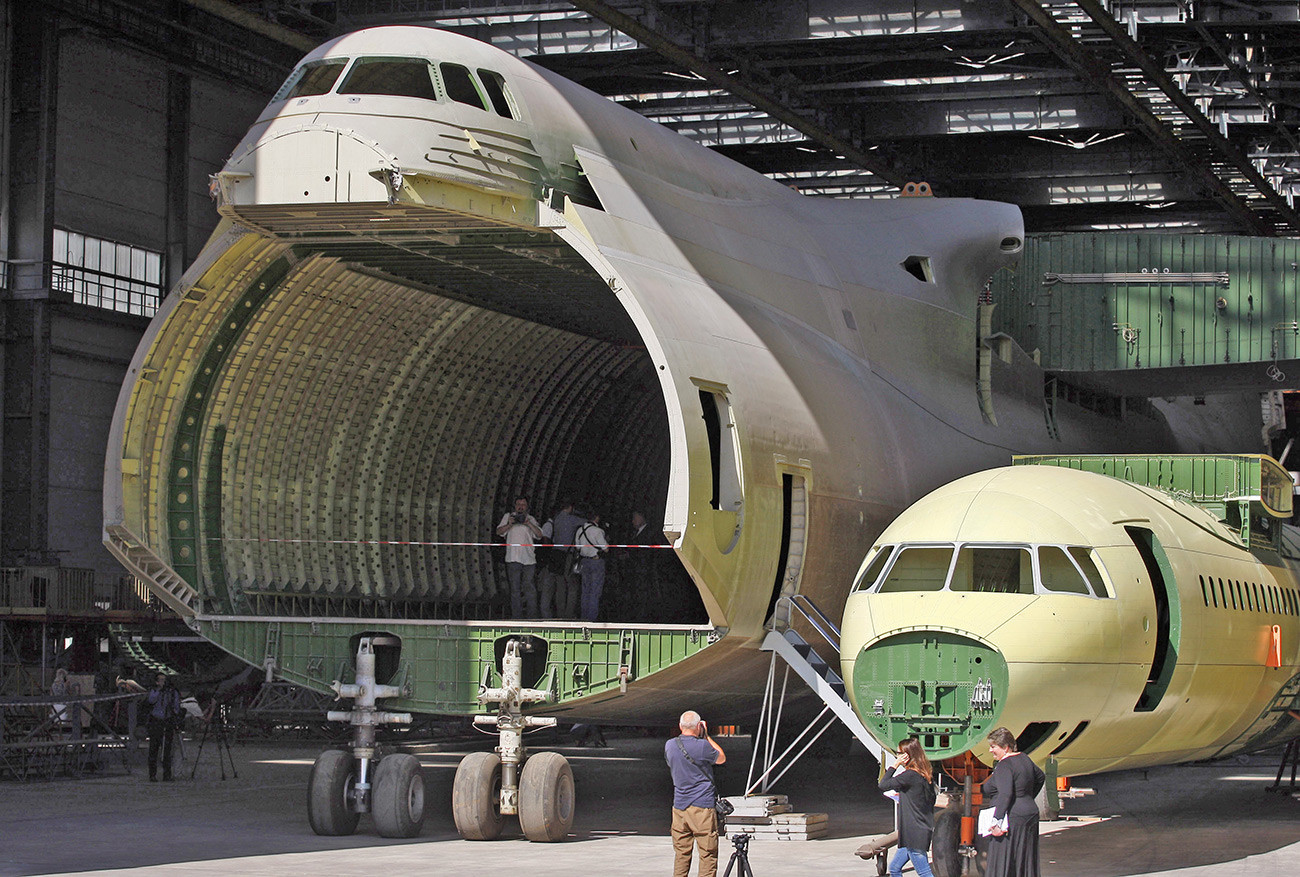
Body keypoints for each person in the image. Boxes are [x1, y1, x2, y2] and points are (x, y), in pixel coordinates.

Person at [665, 710, 727, 877]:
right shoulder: (702, 746)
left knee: (681, 854)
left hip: (679, 807)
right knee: (707, 853)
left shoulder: (670, 745)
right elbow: (721, 758)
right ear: (699, 726)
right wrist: (706, 736)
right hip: (702, 807)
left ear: (680, 726)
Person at [982, 727, 1045, 877]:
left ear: (1005, 747)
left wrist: (997, 822)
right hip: (1029, 812)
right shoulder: (1024, 758)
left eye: (993, 746)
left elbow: (1005, 794)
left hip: (1012, 818)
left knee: (1004, 861)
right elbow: (1040, 777)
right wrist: (1026, 797)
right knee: (1025, 859)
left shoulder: (1004, 765)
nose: (990, 750)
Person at [878, 737, 937, 877]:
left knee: (924, 873)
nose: (897, 756)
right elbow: (929, 799)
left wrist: (895, 765)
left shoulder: (909, 776)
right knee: (894, 868)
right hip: (917, 830)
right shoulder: (925, 775)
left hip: (913, 834)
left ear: (906, 756)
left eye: (899, 753)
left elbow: (883, 784)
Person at [496, 497, 544, 618]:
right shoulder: (508, 516)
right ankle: (517, 617)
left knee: (529, 587)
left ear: (527, 507)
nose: (520, 507)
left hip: (529, 559)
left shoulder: (531, 519)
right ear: (515, 506)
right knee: (515, 589)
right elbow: (499, 532)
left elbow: (539, 535)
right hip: (513, 558)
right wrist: (509, 524)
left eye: (523, 504)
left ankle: (532, 616)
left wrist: (529, 524)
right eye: (518, 504)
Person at [144, 673, 183, 782]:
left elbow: (176, 707)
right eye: (161, 680)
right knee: (154, 748)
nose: (163, 682)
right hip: (156, 721)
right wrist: (159, 690)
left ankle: (167, 774)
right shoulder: (154, 690)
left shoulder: (172, 692)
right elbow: (151, 700)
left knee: (167, 749)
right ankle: (152, 774)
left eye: (164, 680)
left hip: (168, 720)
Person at [575, 511, 609, 622]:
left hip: (584, 562)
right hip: (596, 562)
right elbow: (606, 549)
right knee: (595, 591)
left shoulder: (580, 530)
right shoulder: (598, 531)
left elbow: (578, 547)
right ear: (597, 518)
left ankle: (583, 617)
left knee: (585, 591)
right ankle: (592, 618)